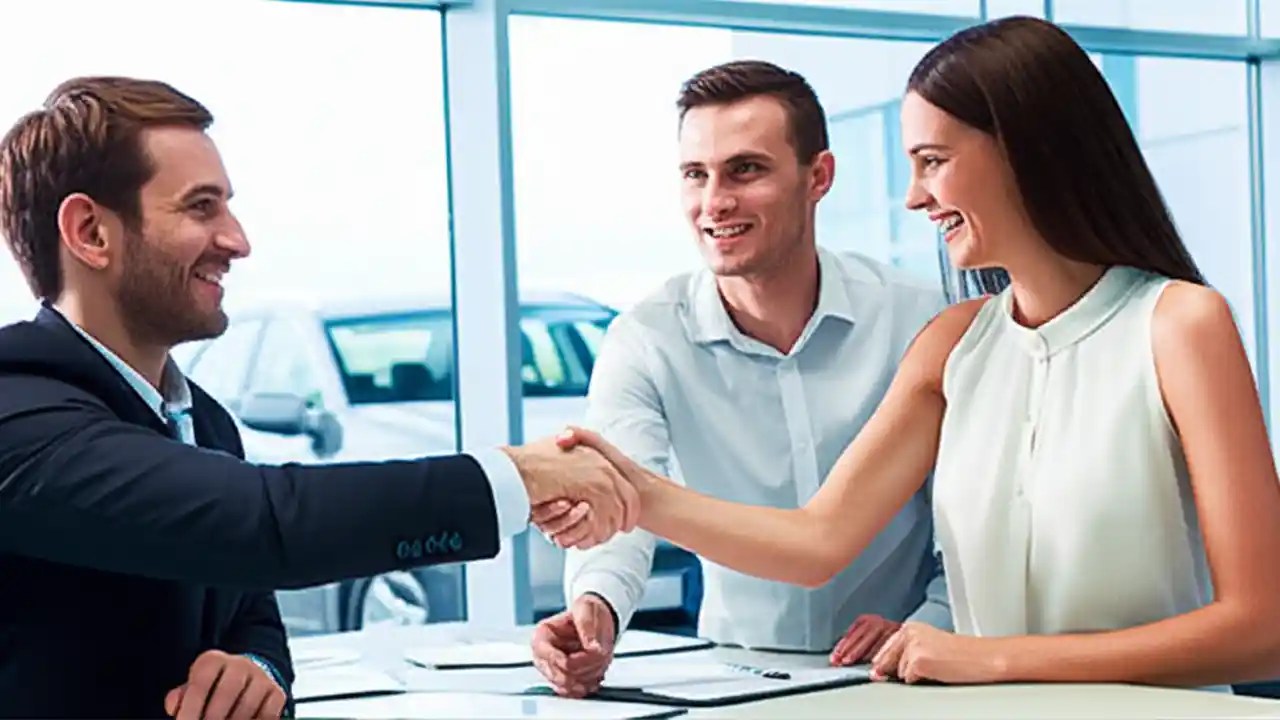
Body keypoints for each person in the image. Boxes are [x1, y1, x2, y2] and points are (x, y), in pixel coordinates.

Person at [558, 16, 1280, 691]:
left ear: (1026, 150)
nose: (913, 197)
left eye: (932, 161)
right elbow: (815, 541)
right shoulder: (952, 343)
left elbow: (1263, 628)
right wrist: (635, 493)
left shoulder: (1180, 325)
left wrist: (994, 657)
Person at [0, 76, 630, 719]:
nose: (237, 240)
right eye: (200, 207)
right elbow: (265, 523)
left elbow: (253, 611)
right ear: (90, 232)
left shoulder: (203, 420)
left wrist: (257, 665)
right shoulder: (17, 408)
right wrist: (515, 477)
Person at [528, 60, 953, 699]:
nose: (714, 202)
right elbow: (619, 494)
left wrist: (932, 623)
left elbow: (974, 514)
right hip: (736, 680)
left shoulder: (921, 319)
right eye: (696, 175)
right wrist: (597, 607)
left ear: (820, 177)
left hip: (914, 674)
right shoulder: (646, 337)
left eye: (745, 170)